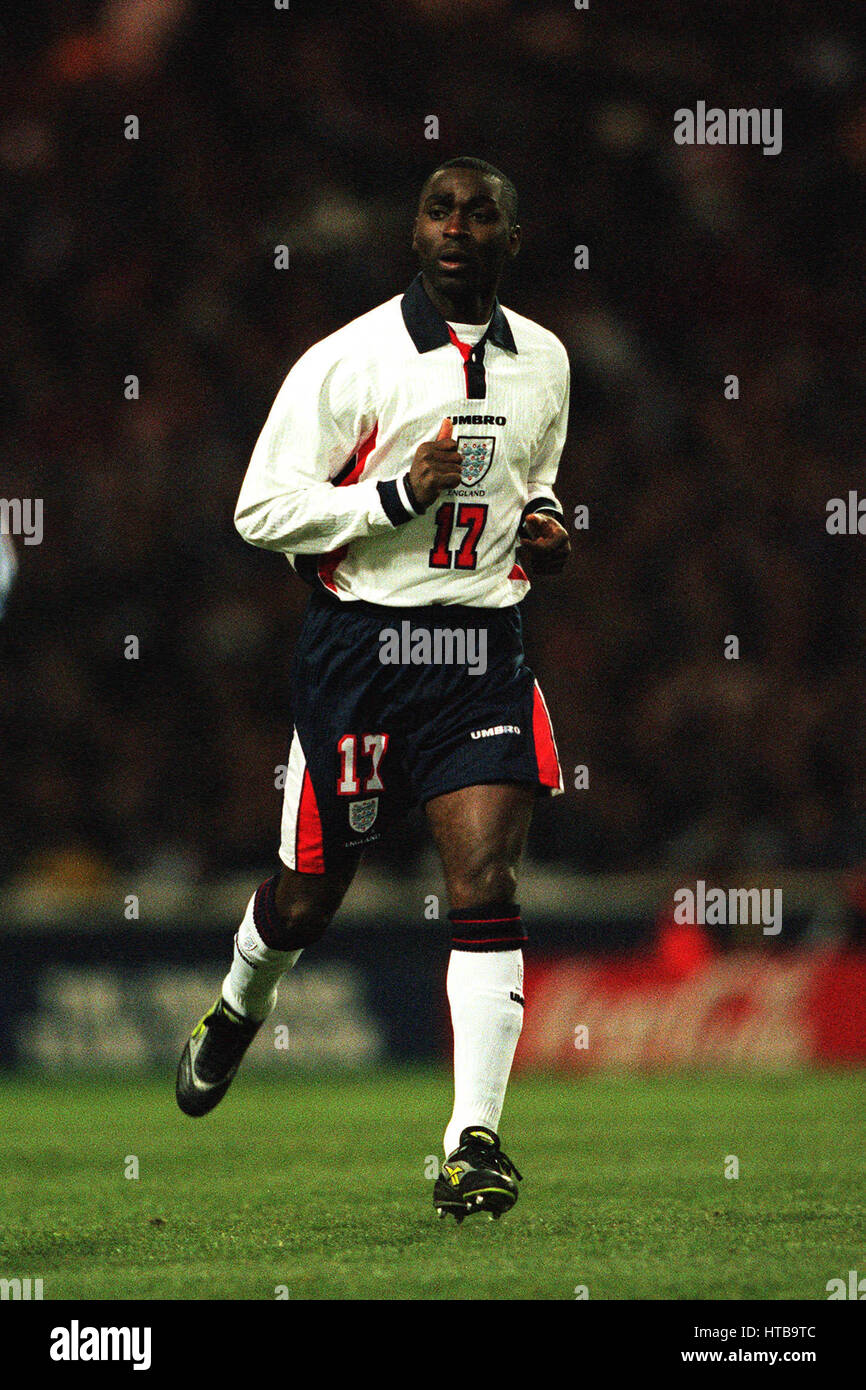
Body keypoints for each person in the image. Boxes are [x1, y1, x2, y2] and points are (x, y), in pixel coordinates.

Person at [177, 157, 571, 1222]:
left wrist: (545, 525)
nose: (457, 227)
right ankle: (236, 1003)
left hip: (480, 648)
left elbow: (532, 478)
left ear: (510, 238)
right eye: (439, 210)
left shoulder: (544, 361)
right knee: (306, 900)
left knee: (483, 878)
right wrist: (394, 492)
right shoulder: (344, 363)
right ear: (413, 233)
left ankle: (470, 1143)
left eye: (480, 213)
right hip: (360, 655)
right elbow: (260, 511)